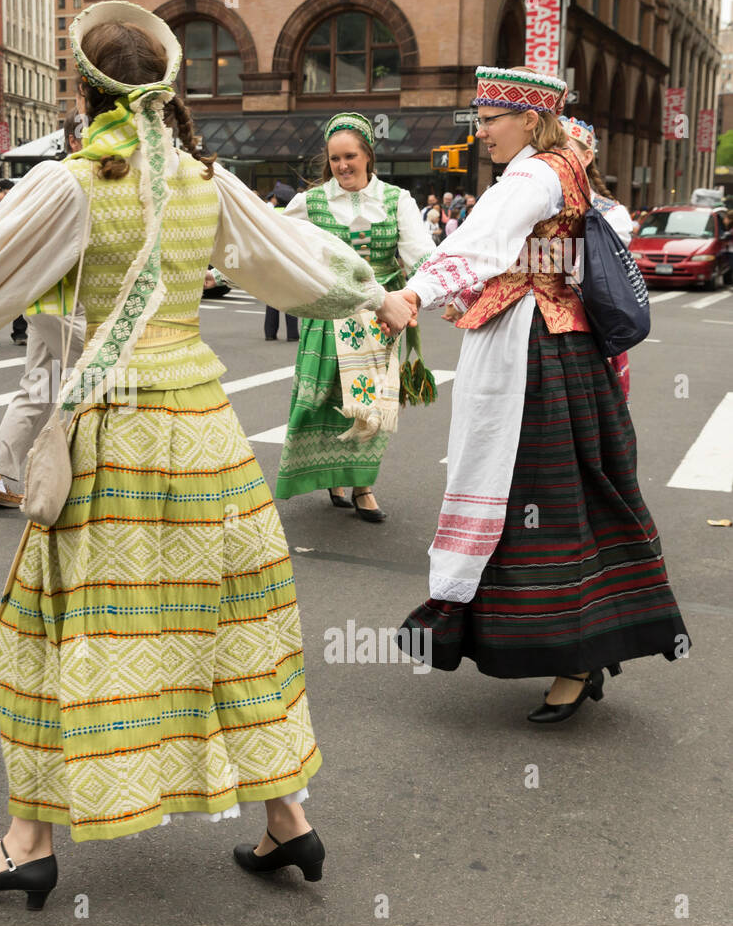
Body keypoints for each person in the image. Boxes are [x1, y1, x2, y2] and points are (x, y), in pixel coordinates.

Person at [0, 0, 405, 907]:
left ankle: (29, 840)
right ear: (168, 88)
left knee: (59, 627)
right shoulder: (203, 178)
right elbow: (293, 254)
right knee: (231, 623)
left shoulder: (72, 182)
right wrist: (373, 294)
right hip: (204, 429)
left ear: (85, 86)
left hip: (112, 431)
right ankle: (287, 818)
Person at [384, 66, 687, 723]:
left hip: (537, 358)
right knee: (571, 497)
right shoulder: (565, 165)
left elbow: (482, 242)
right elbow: (532, 258)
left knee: (533, 498)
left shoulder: (533, 172)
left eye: (490, 117)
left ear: (528, 119)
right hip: (563, 351)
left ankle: (570, 649)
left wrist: (415, 292)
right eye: (479, 116)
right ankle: (582, 642)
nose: (480, 129)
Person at [276, 113, 435, 521]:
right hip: (329, 314)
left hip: (379, 321)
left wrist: (436, 296)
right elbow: (270, 241)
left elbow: (422, 257)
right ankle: (333, 474)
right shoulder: (309, 203)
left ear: (368, 156)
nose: (342, 165)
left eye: (350, 156)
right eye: (334, 159)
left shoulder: (396, 200)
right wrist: (217, 275)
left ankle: (363, 486)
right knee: (325, 399)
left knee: (372, 404)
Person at [0, 113, 86, 508]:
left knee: (38, 386)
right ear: (72, 140)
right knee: (107, 375)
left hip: (43, 300)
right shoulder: (73, 178)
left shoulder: (63, 177)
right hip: (65, 300)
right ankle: (79, 480)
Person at [560, 116, 634, 398]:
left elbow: (602, 275)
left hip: (589, 331)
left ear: (587, 156)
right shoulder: (534, 201)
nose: (557, 159)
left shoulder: (611, 214)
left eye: (565, 150)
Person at [263, 182, 300, 342]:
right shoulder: (294, 215)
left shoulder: (268, 214)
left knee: (272, 297)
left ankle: (270, 333)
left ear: (277, 198)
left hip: (272, 258)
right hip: (291, 259)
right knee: (290, 297)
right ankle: (292, 334)